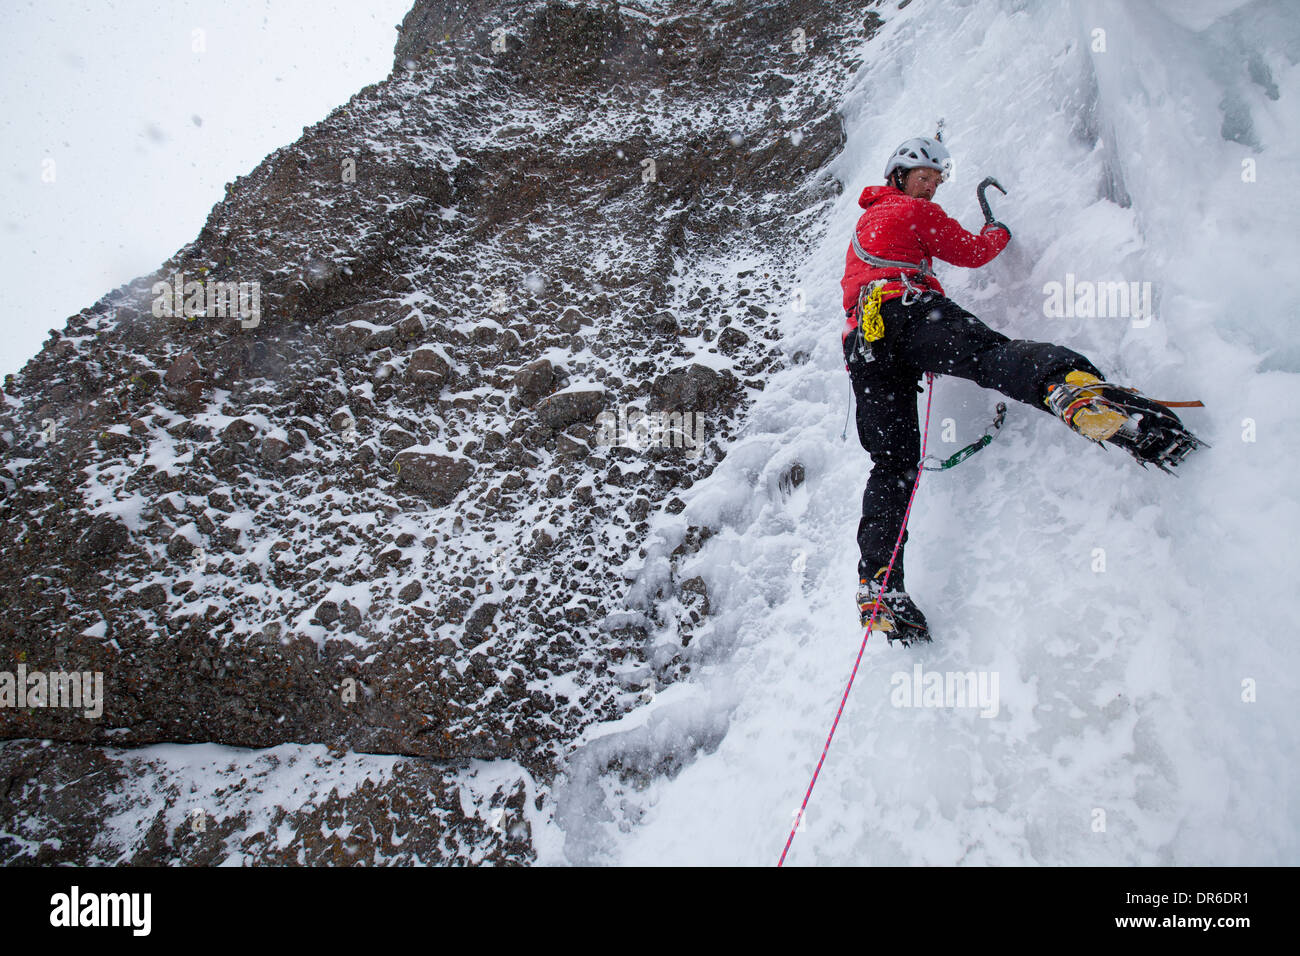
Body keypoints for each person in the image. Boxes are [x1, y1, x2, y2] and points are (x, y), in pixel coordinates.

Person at [841, 136, 1199, 645]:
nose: (933, 188)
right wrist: (998, 231)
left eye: (937, 181)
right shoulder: (908, 210)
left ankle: (879, 585)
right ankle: (1068, 388)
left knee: (893, 464)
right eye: (926, 178)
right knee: (989, 358)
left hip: (864, 345)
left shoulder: (867, 220)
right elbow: (971, 253)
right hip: (908, 310)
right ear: (899, 175)